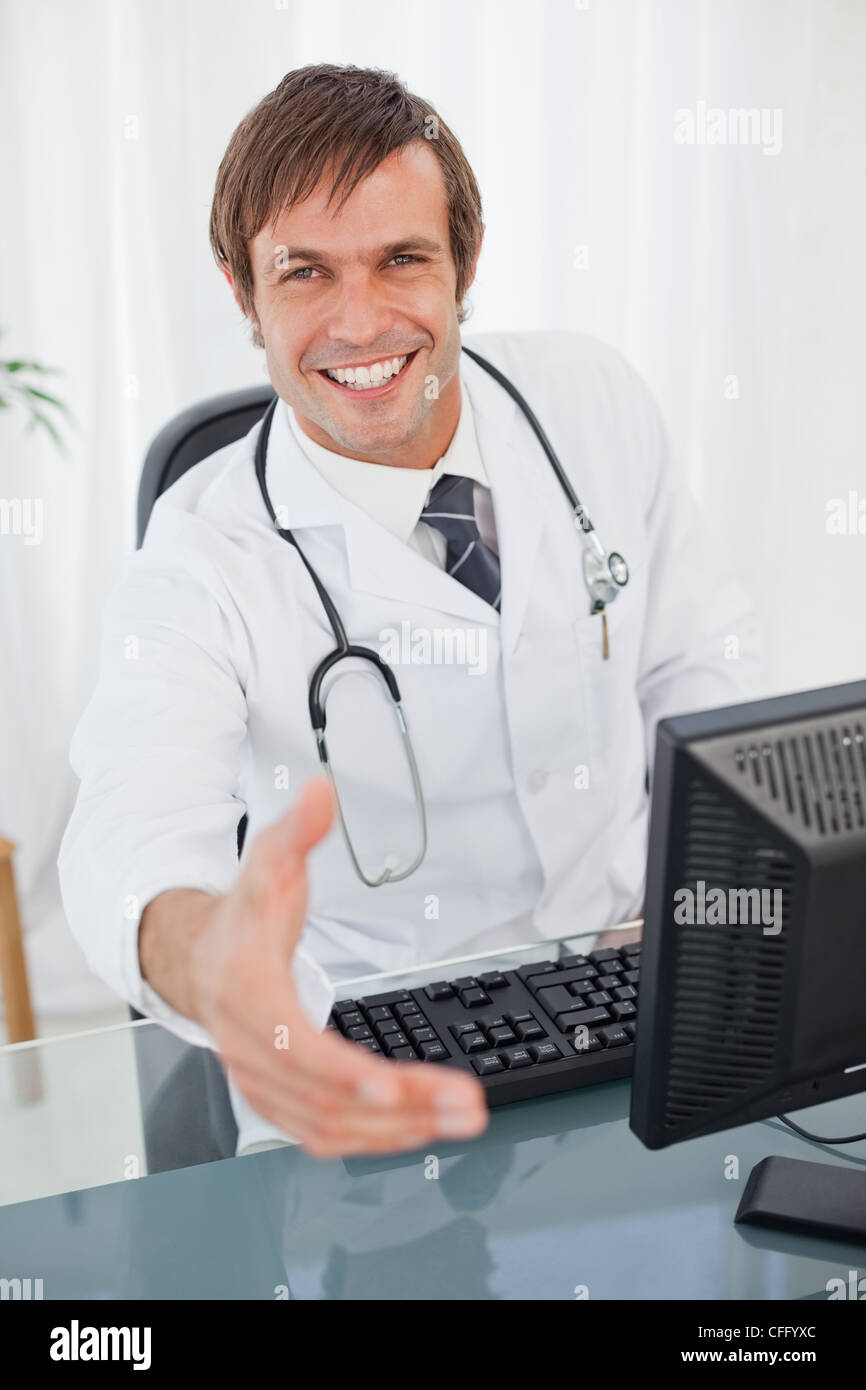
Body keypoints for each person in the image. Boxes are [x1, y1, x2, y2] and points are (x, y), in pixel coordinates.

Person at [58, 64, 762, 1159]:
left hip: (644, 1005)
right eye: (303, 274)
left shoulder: (592, 401)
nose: (359, 321)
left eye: (400, 258)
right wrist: (212, 959)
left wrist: (690, 887)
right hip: (358, 1061)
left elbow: (695, 674)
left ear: (464, 265)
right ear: (243, 296)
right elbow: (133, 829)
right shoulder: (201, 556)